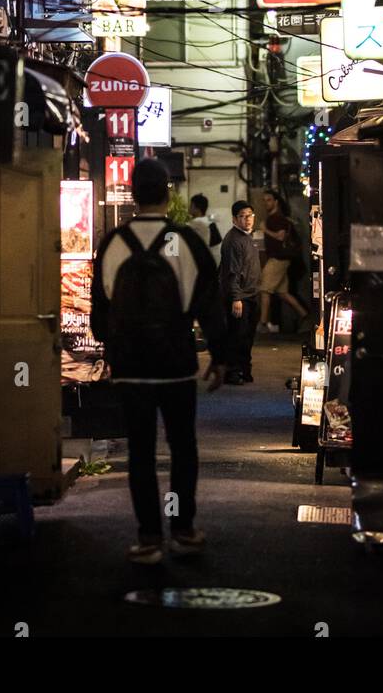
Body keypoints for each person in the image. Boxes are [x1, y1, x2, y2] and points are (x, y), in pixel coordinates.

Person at [91, 157, 226, 565]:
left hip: (131, 367)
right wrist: (220, 357)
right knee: (183, 448)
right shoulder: (186, 241)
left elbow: (100, 312)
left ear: (132, 194)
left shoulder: (113, 242)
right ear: (167, 193)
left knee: (141, 453)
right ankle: (183, 529)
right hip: (177, 365)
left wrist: (111, 350)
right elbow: (209, 305)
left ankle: (149, 537)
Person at [258, 188, 311, 334]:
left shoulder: (277, 218)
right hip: (282, 259)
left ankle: (262, 324)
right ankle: (306, 316)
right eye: (264, 200)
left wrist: (264, 229)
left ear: (276, 202)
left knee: (264, 289)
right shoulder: (276, 218)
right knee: (283, 293)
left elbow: (280, 237)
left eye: (268, 200)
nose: (265, 203)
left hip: (278, 259)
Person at [219, 201, 261, 384]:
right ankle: (233, 372)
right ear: (234, 219)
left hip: (251, 295)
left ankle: (244, 369)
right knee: (237, 336)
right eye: (243, 216)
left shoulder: (247, 237)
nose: (247, 220)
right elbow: (232, 272)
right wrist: (236, 298)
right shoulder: (233, 240)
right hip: (240, 297)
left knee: (247, 336)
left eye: (250, 215)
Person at [189, 192, 223, 265]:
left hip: (204, 261)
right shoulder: (208, 220)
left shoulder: (196, 222)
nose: (189, 208)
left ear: (197, 208)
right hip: (215, 260)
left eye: (191, 205)